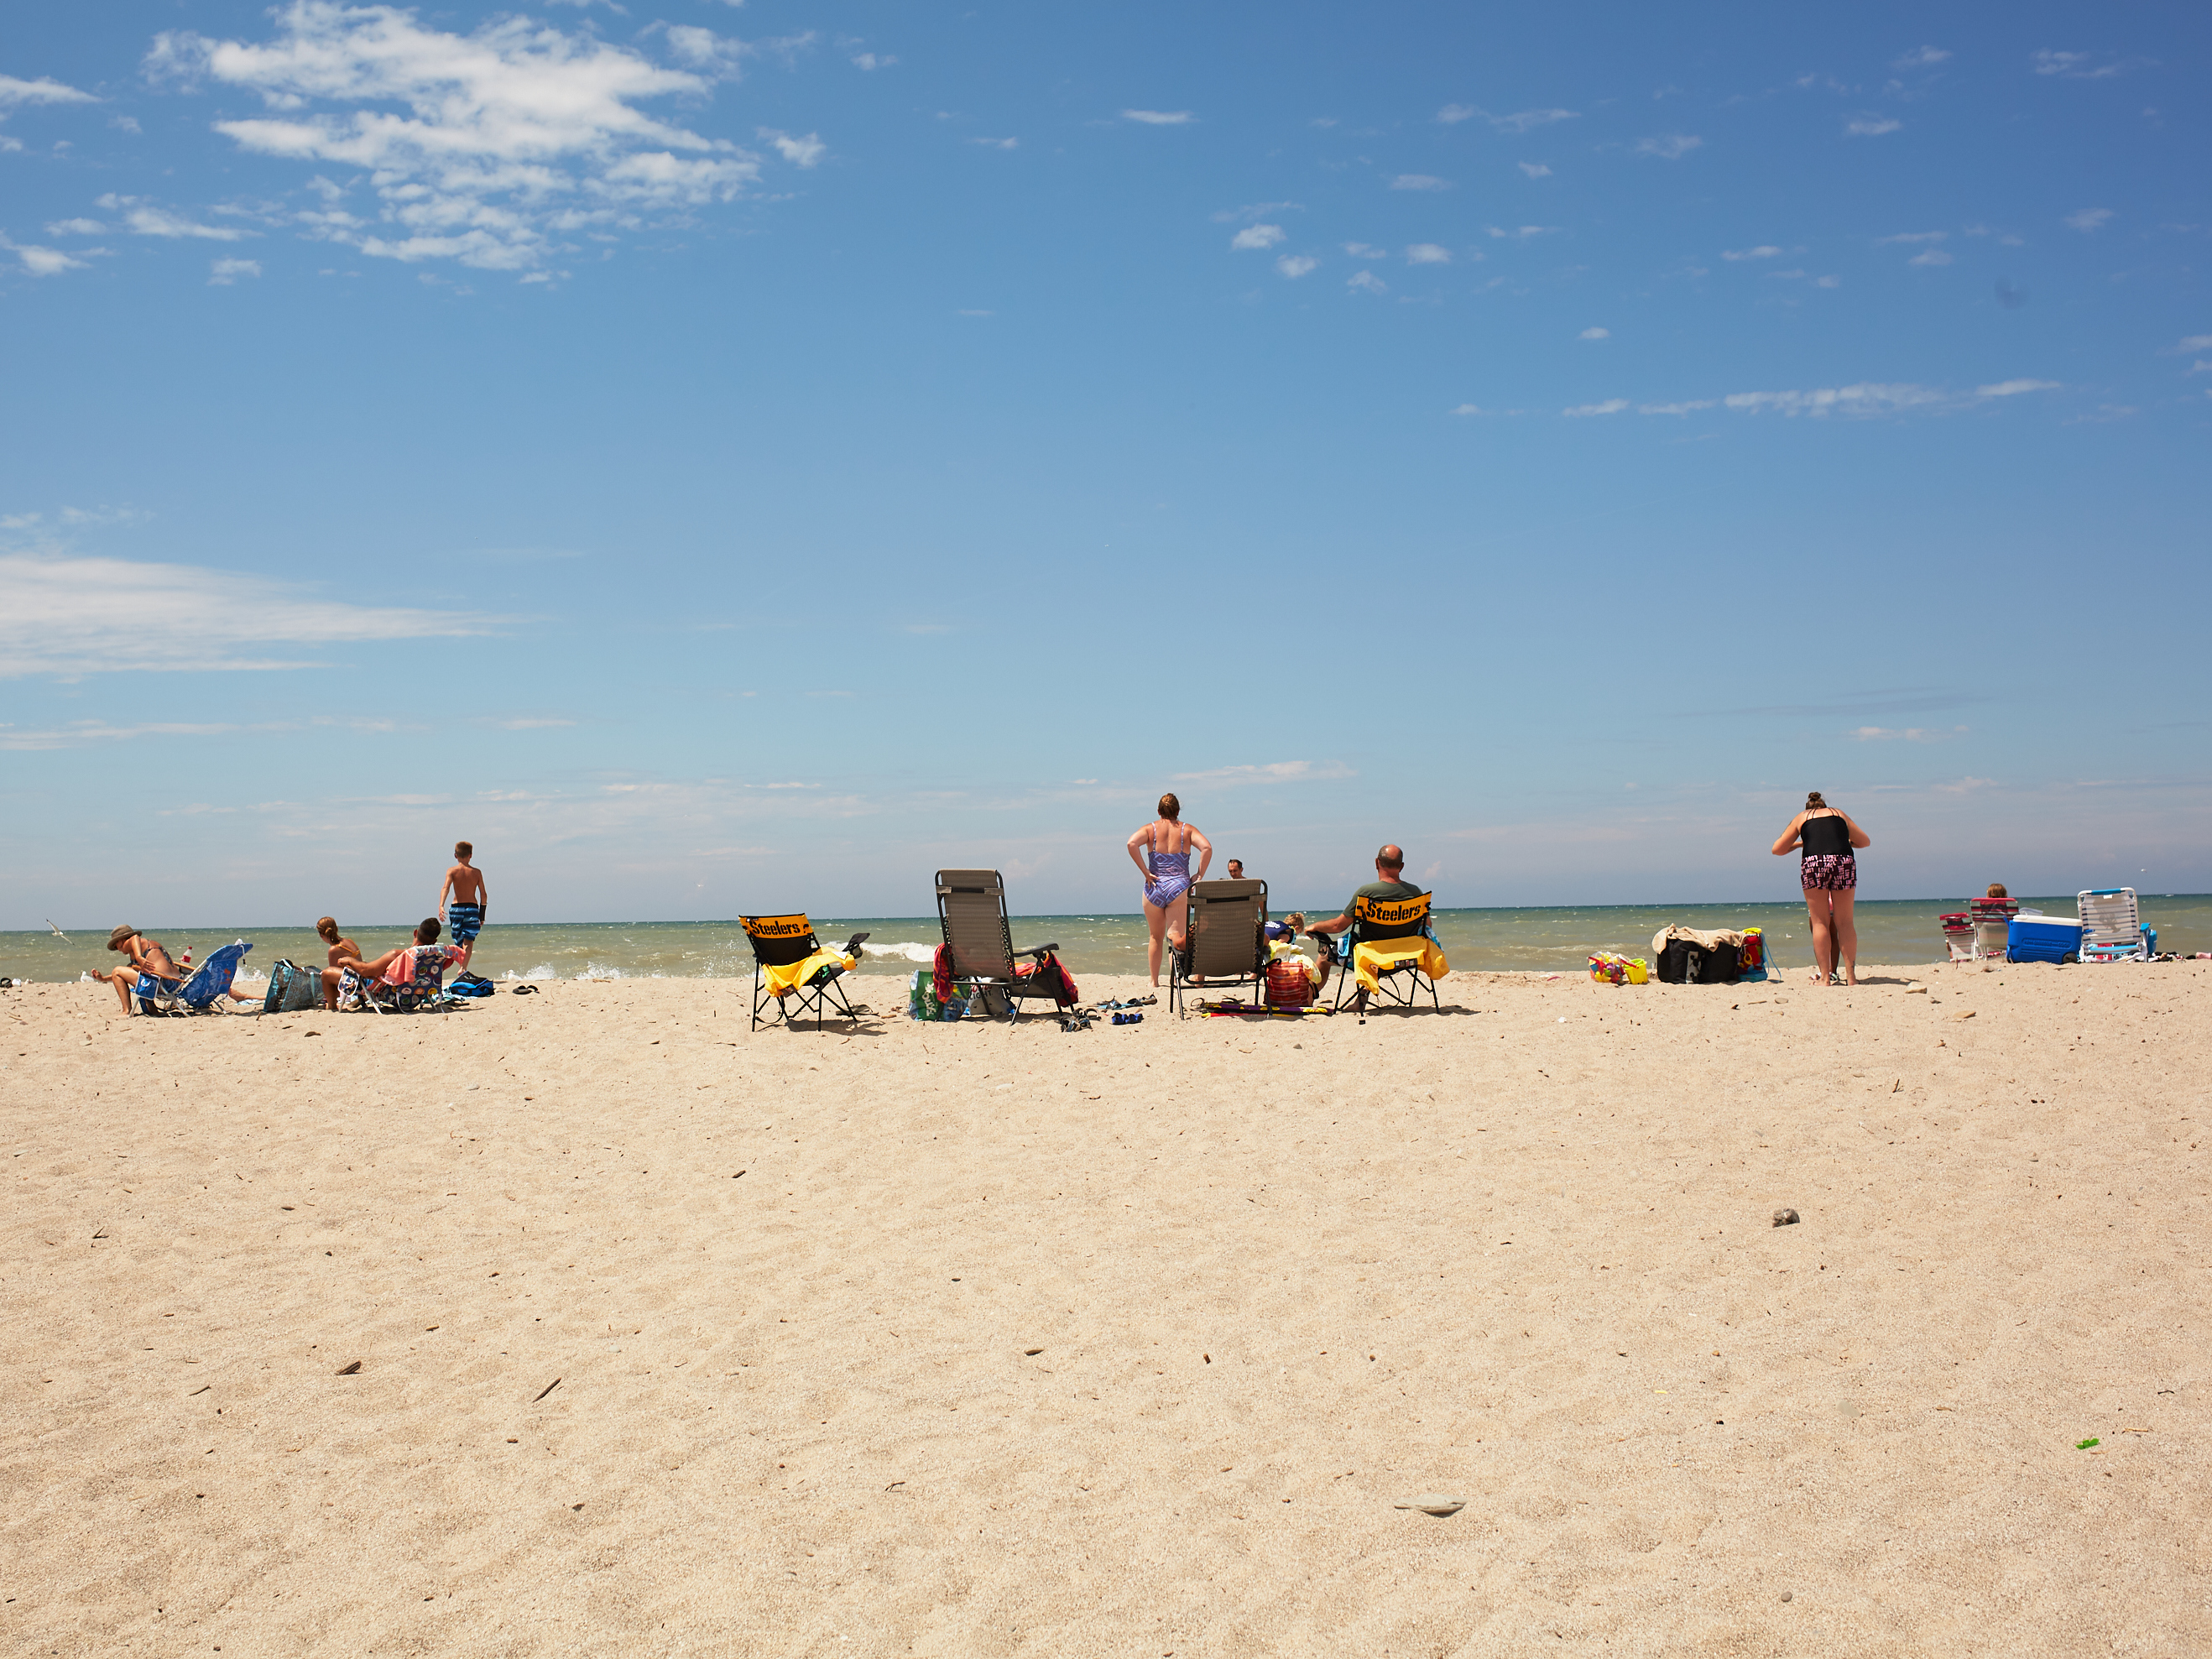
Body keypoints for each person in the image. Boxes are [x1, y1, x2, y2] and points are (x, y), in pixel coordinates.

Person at [1304, 845, 1427, 1008]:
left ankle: (1309, 997)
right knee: (1371, 947)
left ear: (1377, 863)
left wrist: (1315, 926)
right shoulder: (1416, 893)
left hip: (1372, 959)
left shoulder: (1367, 893)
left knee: (1325, 956)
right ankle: (1361, 996)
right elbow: (1426, 927)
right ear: (1402, 866)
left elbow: (1338, 926)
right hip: (1404, 959)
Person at [1771, 791, 1870, 987]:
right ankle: (1851, 977)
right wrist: (1846, 842)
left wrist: (1801, 844)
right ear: (1824, 806)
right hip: (1843, 860)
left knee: (1820, 923)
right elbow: (1865, 842)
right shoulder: (1839, 814)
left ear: (1809, 808)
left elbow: (1778, 849)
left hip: (1814, 862)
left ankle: (1825, 977)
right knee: (1846, 922)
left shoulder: (1802, 817)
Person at [1126, 793, 1212, 986]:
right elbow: (1206, 848)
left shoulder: (1150, 829)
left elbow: (1131, 843)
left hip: (1153, 886)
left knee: (1155, 936)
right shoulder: (1187, 830)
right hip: (1179, 887)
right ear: (1178, 811)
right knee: (1176, 937)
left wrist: (1145, 871)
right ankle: (1175, 979)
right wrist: (1199, 875)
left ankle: (1154, 982)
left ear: (1159, 811)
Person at [348, 918, 465, 1009]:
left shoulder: (398, 955)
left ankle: (333, 1004)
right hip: (415, 998)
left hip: (392, 995)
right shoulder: (435, 957)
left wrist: (349, 961)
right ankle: (357, 1000)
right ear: (434, 942)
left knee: (334, 972)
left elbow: (366, 971)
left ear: (415, 932)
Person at [95, 925, 182, 1015]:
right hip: (176, 984)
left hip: (162, 984)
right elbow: (125, 973)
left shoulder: (131, 943)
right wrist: (103, 978)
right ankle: (152, 1009)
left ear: (121, 941)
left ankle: (126, 1011)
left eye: (116, 946)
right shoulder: (147, 945)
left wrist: (139, 957)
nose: (118, 949)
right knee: (126, 969)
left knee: (117, 970)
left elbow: (134, 937)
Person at [438, 841, 487, 968]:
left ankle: (452, 966)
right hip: (471, 909)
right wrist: (482, 916)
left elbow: (446, 888)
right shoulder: (476, 872)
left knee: (459, 942)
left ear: (455, 855)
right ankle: (463, 969)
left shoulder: (452, 871)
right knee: (468, 942)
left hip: (456, 909)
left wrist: (441, 905)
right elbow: (483, 895)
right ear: (471, 855)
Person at [315, 916, 366, 1012]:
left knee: (326, 974)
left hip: (354, 981)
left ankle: (332, 1005)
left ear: (321, 935)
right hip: (362, 978)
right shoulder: (348, 941)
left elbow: (332, 978)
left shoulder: (334, 949)